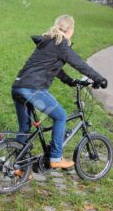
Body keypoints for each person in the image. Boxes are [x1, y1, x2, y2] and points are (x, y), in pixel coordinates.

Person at [11, 15, 107, 169]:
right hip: (33, 89)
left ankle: (17, 167)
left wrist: (69, 80)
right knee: (61, 116)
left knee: (24, 129)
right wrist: (99, 79)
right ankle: (55, 158)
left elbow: (52, 67)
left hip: (18, 87)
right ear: (70, 29)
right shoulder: (60, 44)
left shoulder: (48, 42)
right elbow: (79, 64)